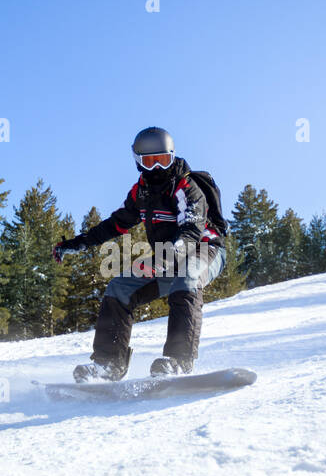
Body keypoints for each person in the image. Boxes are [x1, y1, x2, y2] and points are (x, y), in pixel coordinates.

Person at [53, 127, 227, 382]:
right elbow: (115, 225)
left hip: (204, 250)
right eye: (149, 161)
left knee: (187, 277)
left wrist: (160, 260)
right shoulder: (141, 193)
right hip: (167, 258)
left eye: (163, 160)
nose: (157, 168)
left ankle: (179, 360)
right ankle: (108, 364)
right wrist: (77, 244)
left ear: (172, 156)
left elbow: (190, 233)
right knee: (119, 287)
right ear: (138, 162)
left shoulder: (187, 188)